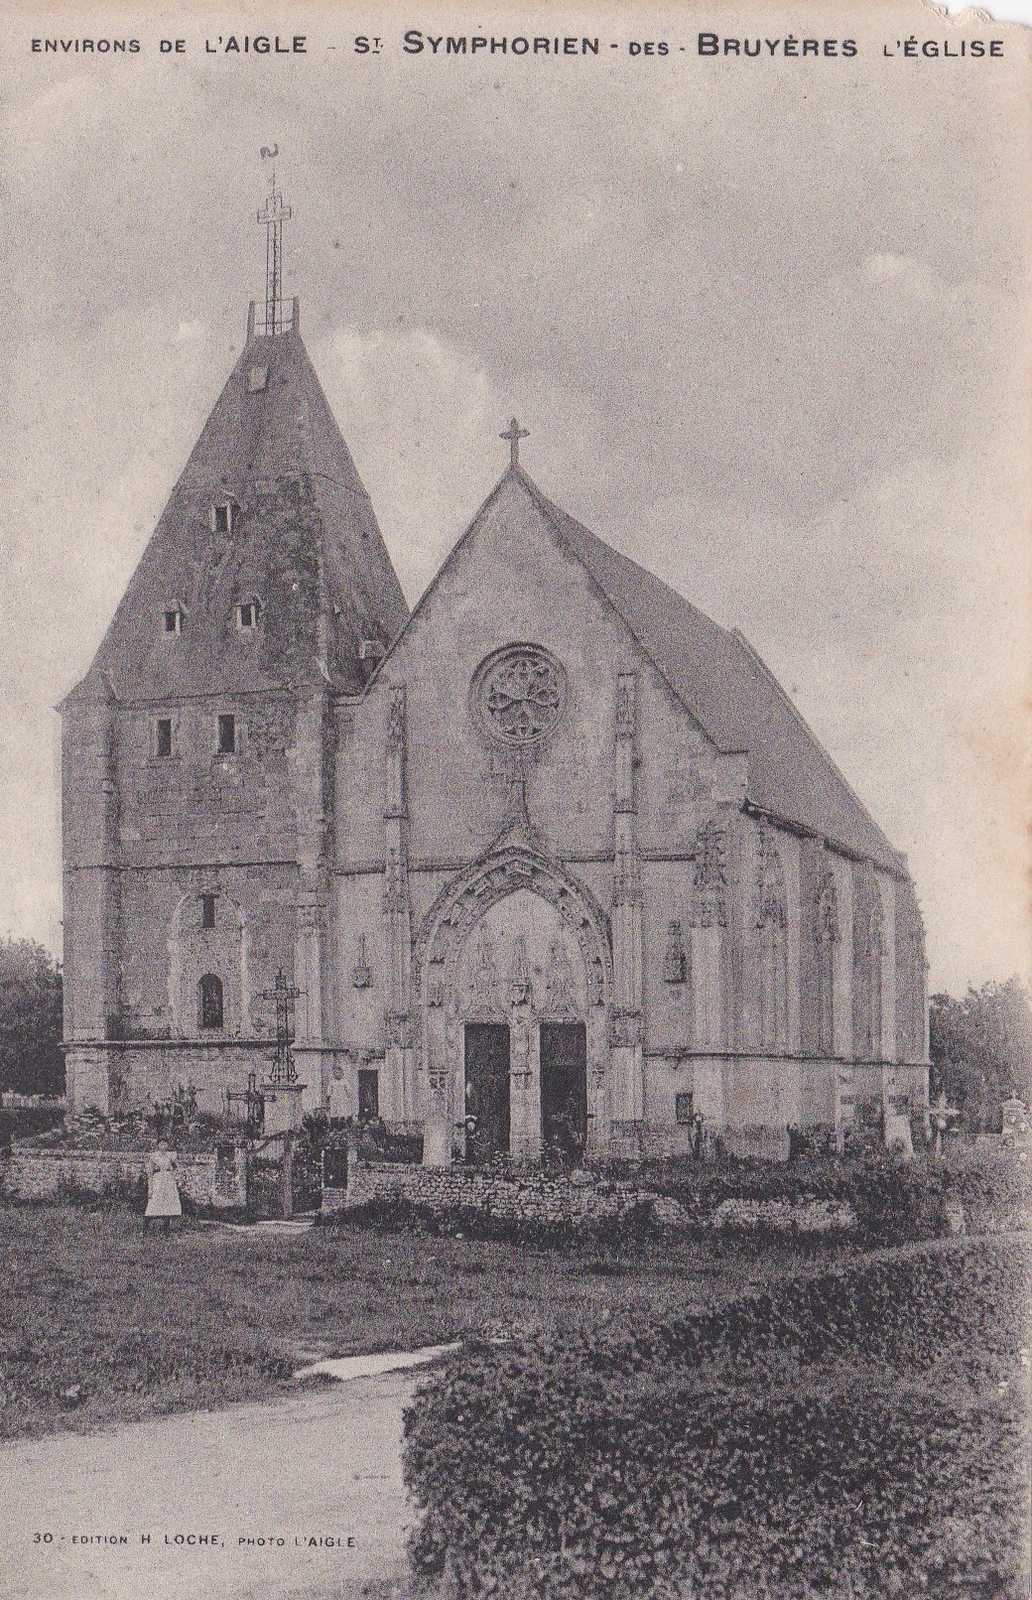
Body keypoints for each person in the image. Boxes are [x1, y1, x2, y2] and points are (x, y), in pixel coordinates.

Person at [144, 1139, 182, 1235]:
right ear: (158, 1145)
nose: (163, 1145)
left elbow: (177, 1167)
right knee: (154, 1202)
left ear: (167, 1145)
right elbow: (150, 1172)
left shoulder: (171, 1156)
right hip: (158, 1180)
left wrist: (174, 1173)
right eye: (161, 1143)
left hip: (168, 1181)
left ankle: (166, 1231)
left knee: (167, 1204)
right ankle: (144, 1229)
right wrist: (150, 1188)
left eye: (165, 1143)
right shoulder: (154, 1157)